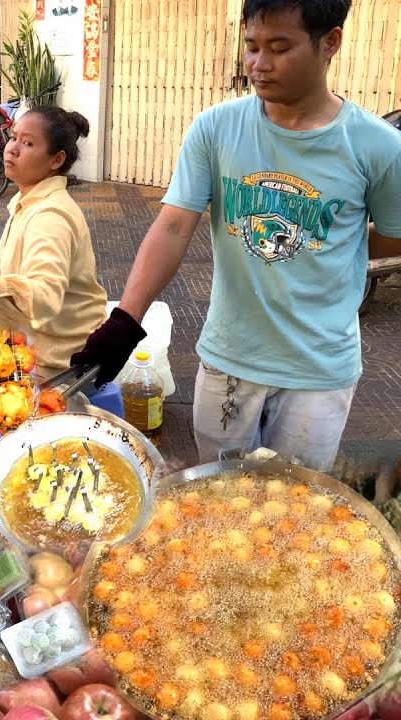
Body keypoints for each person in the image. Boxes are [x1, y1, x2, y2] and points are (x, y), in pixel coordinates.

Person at [72, 0, 401, 471]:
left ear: (330, 42)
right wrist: (125, 321)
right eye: (251, 46)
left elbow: (395, 235)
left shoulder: (378, 146)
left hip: (318, 368)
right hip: (229, 357)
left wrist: (337, 242)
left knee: (293, 501)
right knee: (217, 490)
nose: (259, 64)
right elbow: (173, 226)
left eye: (279, 48)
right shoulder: (216, 128)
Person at [0, 108, 107, 379]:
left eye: (28, 143)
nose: (12, 149)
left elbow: (43, 297)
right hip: (28, 348)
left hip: (58, 366)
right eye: (13, 137)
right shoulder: (28, 203)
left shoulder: (50, 216)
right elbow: (16, 282)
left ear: (56, 159)